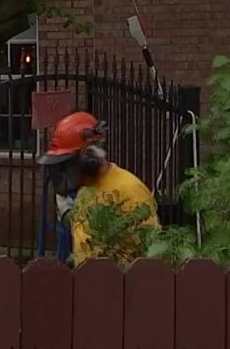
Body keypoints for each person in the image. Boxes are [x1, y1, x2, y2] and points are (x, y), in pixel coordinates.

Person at [38, 111, 159, 266]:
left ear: (89, 158)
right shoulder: (85, 190)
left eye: (67, 165)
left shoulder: (129, 190)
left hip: (121, 278)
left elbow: (151, 249)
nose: (64, 174)